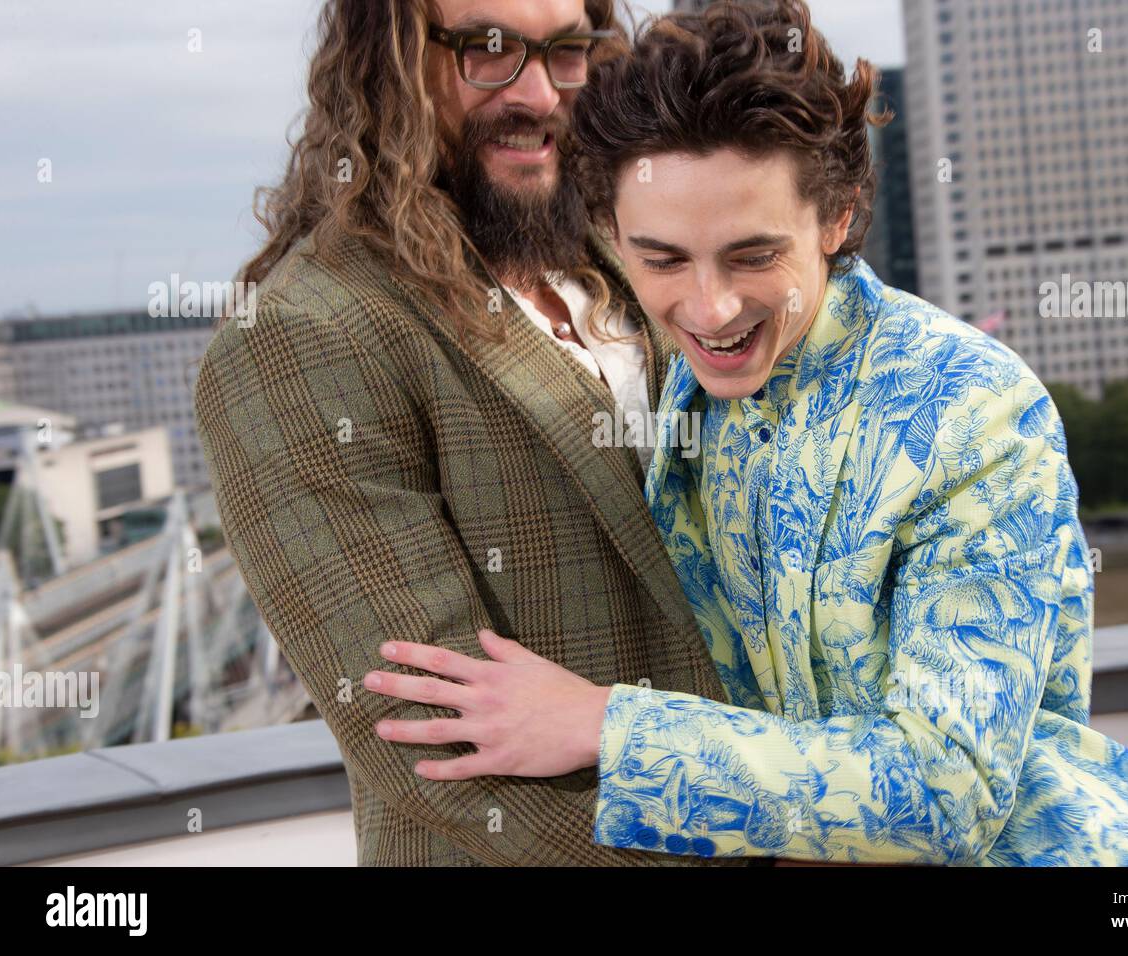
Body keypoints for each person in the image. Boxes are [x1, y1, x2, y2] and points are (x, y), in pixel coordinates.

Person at [365, 0, 1128, 865]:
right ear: (611, 233)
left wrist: (605, 725)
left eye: (754, 256)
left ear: (835, 219)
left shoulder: (974, 410)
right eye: (664, 259)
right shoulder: (683, 391)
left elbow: (947, 789)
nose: (709, 309)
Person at [193, 0, 757, 867]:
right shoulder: (302, 335)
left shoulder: (639, 259)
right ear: (386, 64)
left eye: (566, 50)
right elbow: (441, 748)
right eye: (486, 50)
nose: (536, 92)